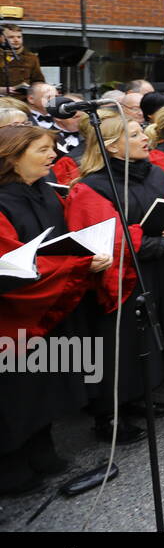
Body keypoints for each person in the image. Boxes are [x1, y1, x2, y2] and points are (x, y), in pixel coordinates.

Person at [67, 113, 164, 440]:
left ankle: (139, 397)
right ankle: (109, 417)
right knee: (118, 345)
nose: (145, 139)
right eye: (136, 134)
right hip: (122, 274)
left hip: (158, 264)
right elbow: (107, 237)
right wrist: (163, 240)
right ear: (112, 147)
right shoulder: (89, 187)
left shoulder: (154, 171)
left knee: (147, 336)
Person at [0, 125, 110, 495]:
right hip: (15, 314)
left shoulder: (47, 193)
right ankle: (12, 467)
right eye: (43, 150)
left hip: (53, 302)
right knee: (16, 391)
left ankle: (42, 450)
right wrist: (77, 267)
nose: (54, 156)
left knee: (46, 381)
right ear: (13, 157)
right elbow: (8, 263)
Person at [0, 24, 42, 96]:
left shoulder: (31, 57)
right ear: (1, 38)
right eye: (11, 37)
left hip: (24, 102)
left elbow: (38, 80)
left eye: (19, 37)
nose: (16, 40)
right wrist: (1, 90)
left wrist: (33, 88)